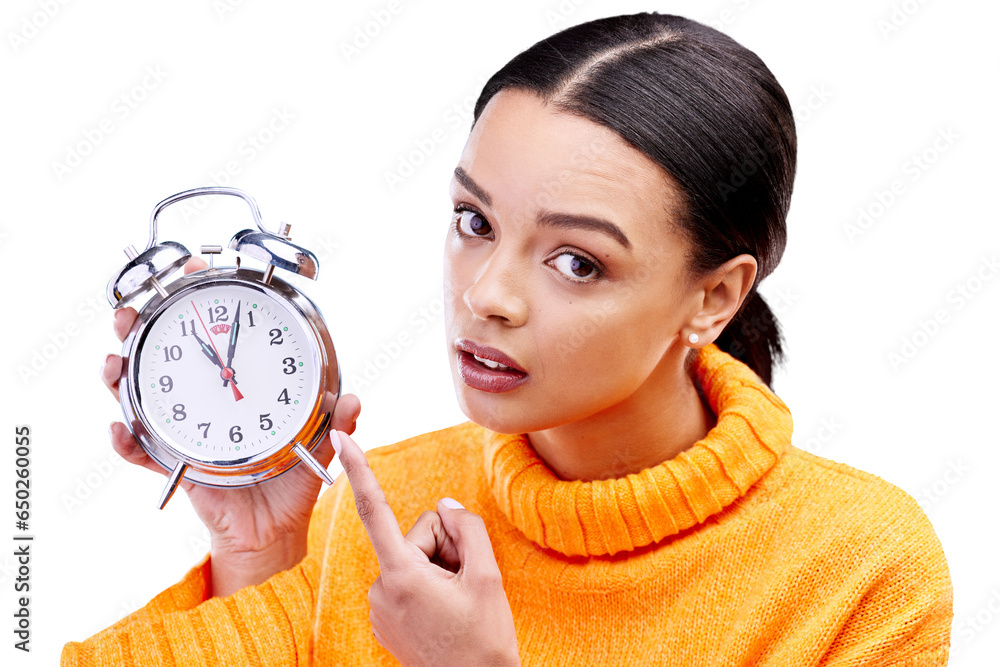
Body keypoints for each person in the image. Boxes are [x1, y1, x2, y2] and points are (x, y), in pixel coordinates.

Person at [62, 11, 952, 666]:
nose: (486, 295)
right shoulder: (379, 507)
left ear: (713, 297)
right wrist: (260, 553)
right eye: (473, 219)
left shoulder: (862, 569)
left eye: (575, 261)